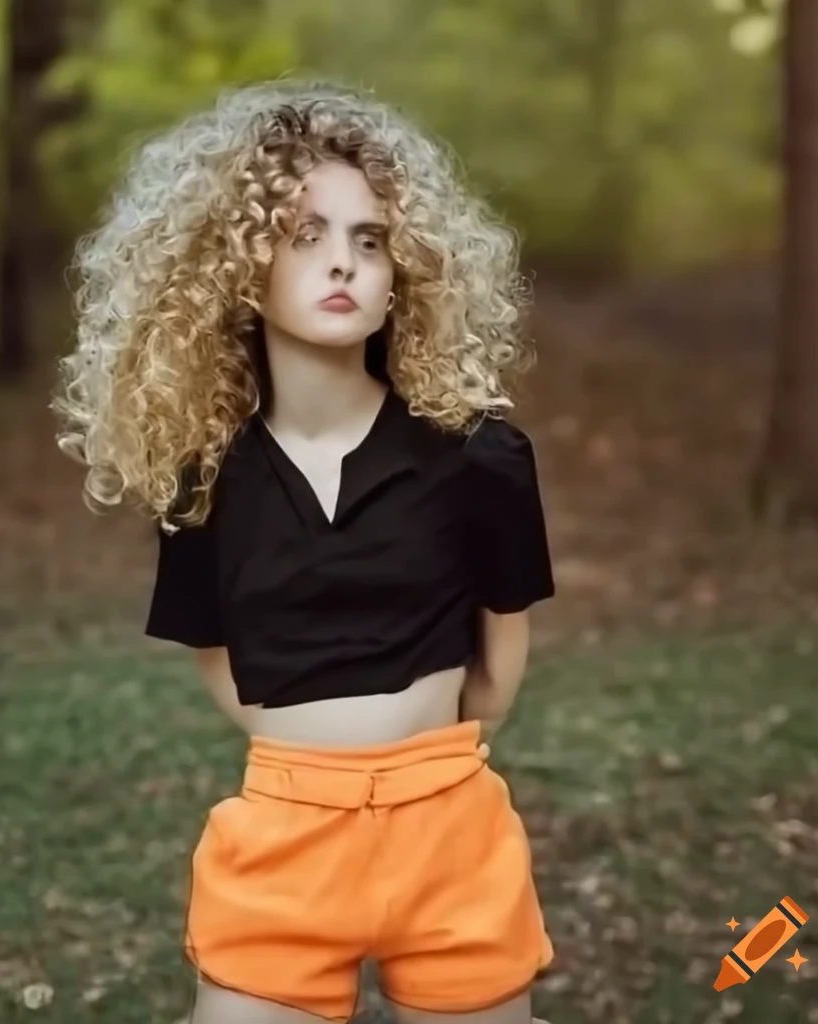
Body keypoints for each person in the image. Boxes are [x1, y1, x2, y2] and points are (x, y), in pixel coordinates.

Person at [54, 80, 556, 1024]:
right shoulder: (201, 475)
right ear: (240, 265)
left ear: (403, 266)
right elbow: (219, 657)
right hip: (281, 833)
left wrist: (410, 756)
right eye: (304, 236)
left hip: (449, 829)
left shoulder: (480, 456)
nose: (344, 265)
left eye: (369, 241)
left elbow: (499, 664)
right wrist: (317, 767)